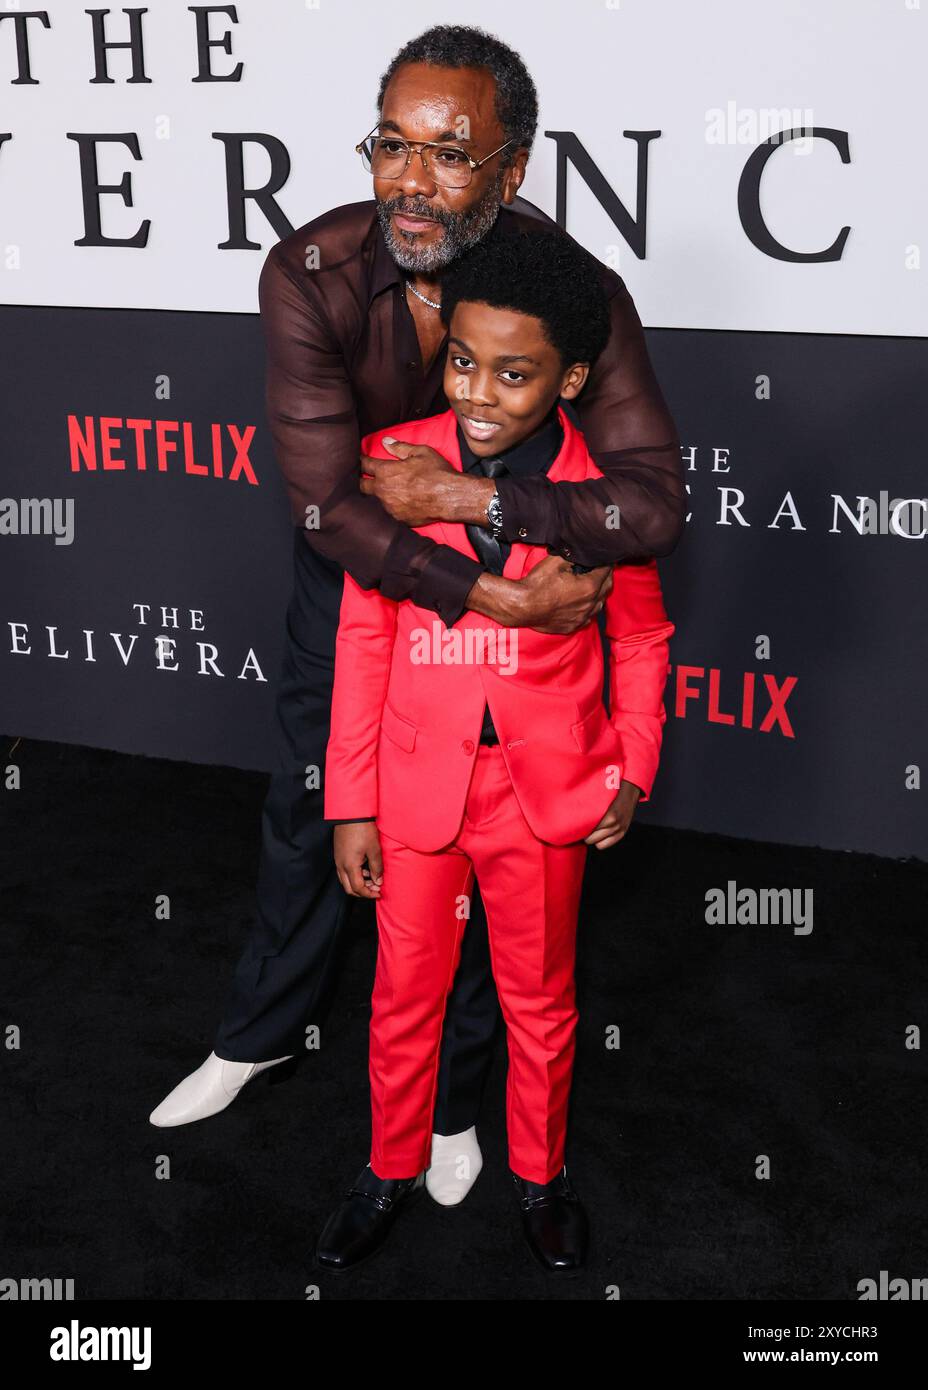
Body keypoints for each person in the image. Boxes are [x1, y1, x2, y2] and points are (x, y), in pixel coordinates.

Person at [150, 24, 684, 1208]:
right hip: (363, 577)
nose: (409, 178)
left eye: (450, 155)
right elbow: (326, 505)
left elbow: (650, 501)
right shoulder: (308, 272)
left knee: (500, 871)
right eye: (391, 143)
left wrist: (482, 505)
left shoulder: (576, 293)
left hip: (527, 583)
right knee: (315, 808)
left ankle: (457, 1103)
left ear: (513, 167)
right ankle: (261, 1032)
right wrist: (476, 580)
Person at [315, 230, 675, 1272]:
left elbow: (644, 635)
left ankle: (541, 1176)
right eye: (462, 361)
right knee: (400, 995)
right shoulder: (394, 460)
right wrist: (349, 799)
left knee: (541, 1001)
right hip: (415, 785)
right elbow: (364, 635)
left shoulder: (599, 492)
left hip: (547, 792)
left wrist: (633, 762)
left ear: (566, 378)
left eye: (513, 374)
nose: (478, 393)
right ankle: (386, 1168)